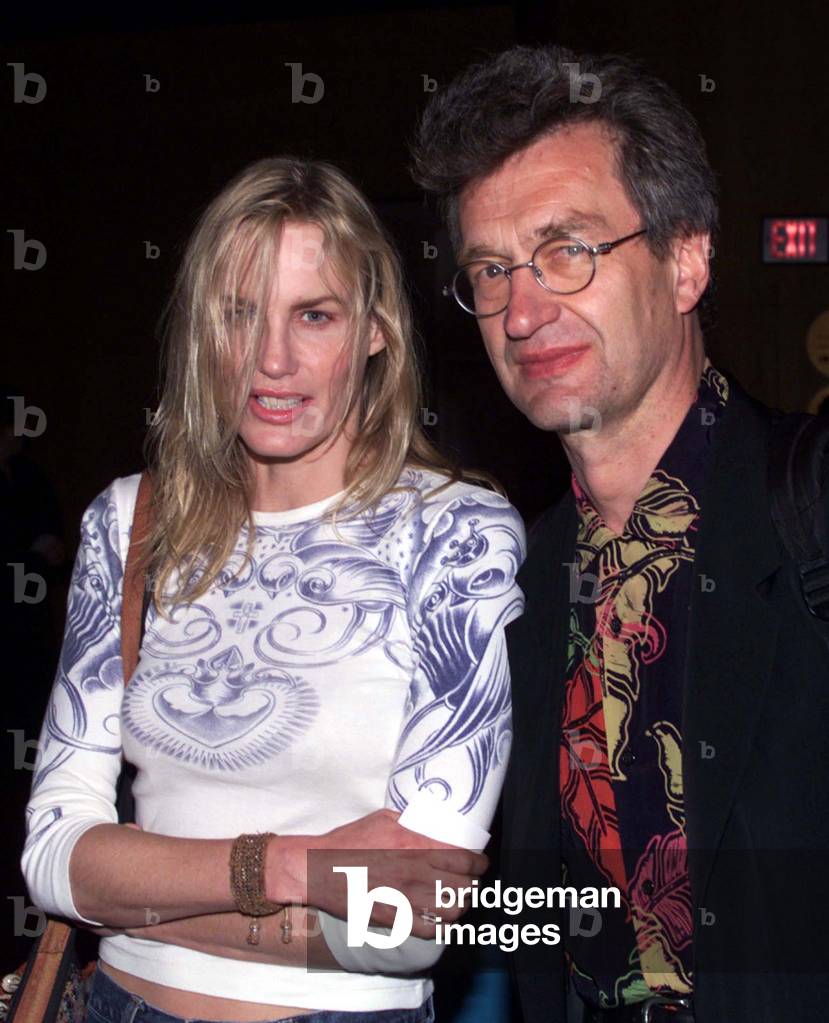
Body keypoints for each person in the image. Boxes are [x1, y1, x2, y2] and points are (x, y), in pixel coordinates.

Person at [21, 157, 527, 1023]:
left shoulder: (455, 532)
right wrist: (287, 866)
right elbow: (51, 858)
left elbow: (406, 929)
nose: (272, 359)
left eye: (313, 315)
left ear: (374, 330)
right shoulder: (131, 521)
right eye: (238, 314)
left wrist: (135, 886)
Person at [411, 44, 829, 1023]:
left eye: (568, 251)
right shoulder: (513, 582)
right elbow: (515, 917)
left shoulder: (806, 507)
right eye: (491, 270)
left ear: (684, 258)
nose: (522, 310)